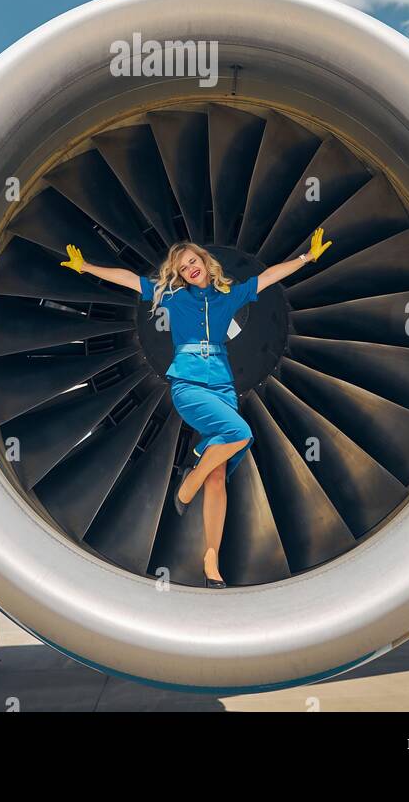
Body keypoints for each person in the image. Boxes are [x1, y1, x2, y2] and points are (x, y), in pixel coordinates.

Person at [60, 228, 332, 587]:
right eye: (182, 266)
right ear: (178, 273)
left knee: (219, 476)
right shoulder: (172, 297)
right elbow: (131, 280)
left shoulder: (229, 297)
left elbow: (267, 277)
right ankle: (190, 481)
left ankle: (210, 558)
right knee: (241, 434)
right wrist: (87, 267)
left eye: (193, 261)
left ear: (205, 263)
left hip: (222, 387)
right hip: (189, 384)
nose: (190, 268)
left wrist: (306, 258)